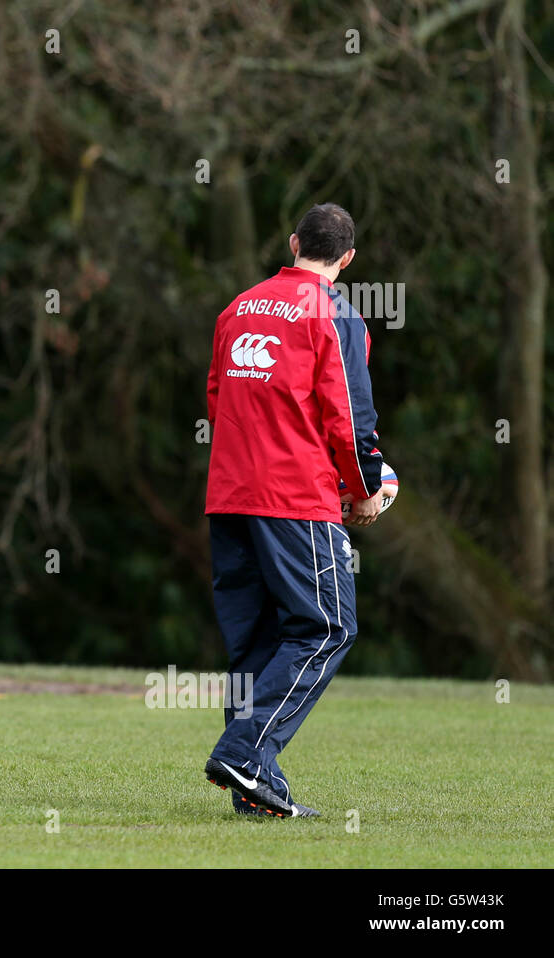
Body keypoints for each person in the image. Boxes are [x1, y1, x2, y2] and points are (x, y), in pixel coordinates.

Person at [202, 203, 390, 816]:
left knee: (253, 642)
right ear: (347, 259)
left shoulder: (239, 307)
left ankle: (255, 792)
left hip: (230, 494)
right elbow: (348, 415)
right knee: (327, 625)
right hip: (294, 499)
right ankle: (246, 752)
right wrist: (363, 486)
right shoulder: (335, 314)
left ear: (293, 243)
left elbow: (216, 396)